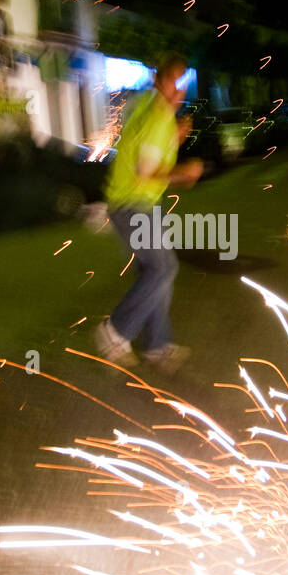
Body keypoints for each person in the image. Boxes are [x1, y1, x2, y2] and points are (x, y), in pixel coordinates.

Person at [94, 53, 203, 373]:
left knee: (156, 272)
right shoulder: (159, 117)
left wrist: (173, 136)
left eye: (181, 85)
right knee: (162, 269)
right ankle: (115, 331)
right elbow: (146, 171)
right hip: (134, 203)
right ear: (161, 81)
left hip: (133, 202)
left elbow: (141, 142)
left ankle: (158, 346)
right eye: (173, 83)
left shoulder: (148, 104)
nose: (177, 91)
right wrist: (184, 174)